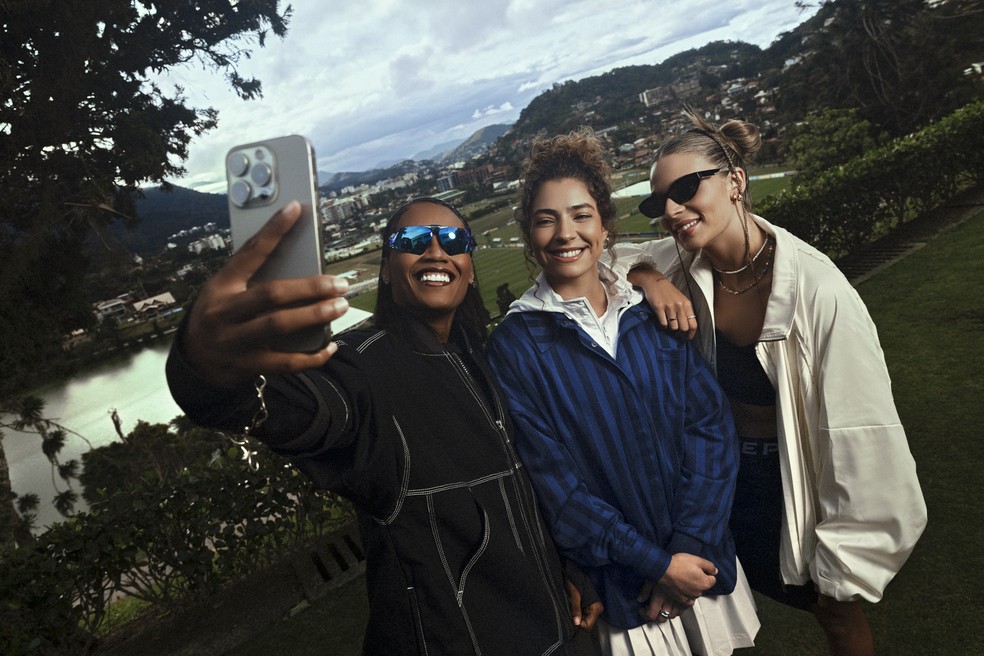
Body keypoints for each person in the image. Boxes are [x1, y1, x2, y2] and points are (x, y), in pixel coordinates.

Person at [166, 197, 602, 655]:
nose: (435, 251)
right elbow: (301, 406)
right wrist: (206, 367)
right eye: (413, 241)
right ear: (388, 269)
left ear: (469, 268)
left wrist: (562, 567)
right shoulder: (360, 365)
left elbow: (520, 497)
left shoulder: (478, 354)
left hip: (558, 634)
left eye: (452, 240)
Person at [622, 111, 927, 656]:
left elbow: (862, 432)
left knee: (835, 612)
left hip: (791, 475)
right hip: (722, 472)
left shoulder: (818, 290)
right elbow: (606, 259)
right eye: (657, 202)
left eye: (687, 188)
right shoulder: (680, 265)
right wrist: (648, 278)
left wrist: (850, 558)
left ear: (735, 181)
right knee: (722, 602)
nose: (671, 210)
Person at [486, 128, 759, 656]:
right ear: (529, 234)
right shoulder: (516, 345)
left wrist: (689, 549)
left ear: (605, 226)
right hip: (626, 589)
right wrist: (658, 566)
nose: (566, 233)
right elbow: (557, 489)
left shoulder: (650, 309)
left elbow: (710, 430)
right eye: (547, 219)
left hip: (700, 563)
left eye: (581, 214)